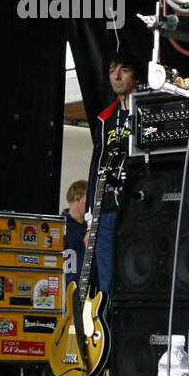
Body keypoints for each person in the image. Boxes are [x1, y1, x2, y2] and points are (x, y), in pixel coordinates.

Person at [85, 50, 139, 299]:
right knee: (106, 280)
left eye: (124, 70)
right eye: (112, 70)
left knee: (137, 271)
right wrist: (89, 218)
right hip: (106, 209)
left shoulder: (147, 109)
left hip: (137, 207)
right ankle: (107, 332)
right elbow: (96, 165)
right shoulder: (105, 118)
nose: (116, 76)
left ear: (135, 75)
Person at [63, 179, 88, 287]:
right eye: (87, 201)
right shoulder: (60, 227)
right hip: (68, 289)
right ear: (77, 199)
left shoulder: (92, 225)